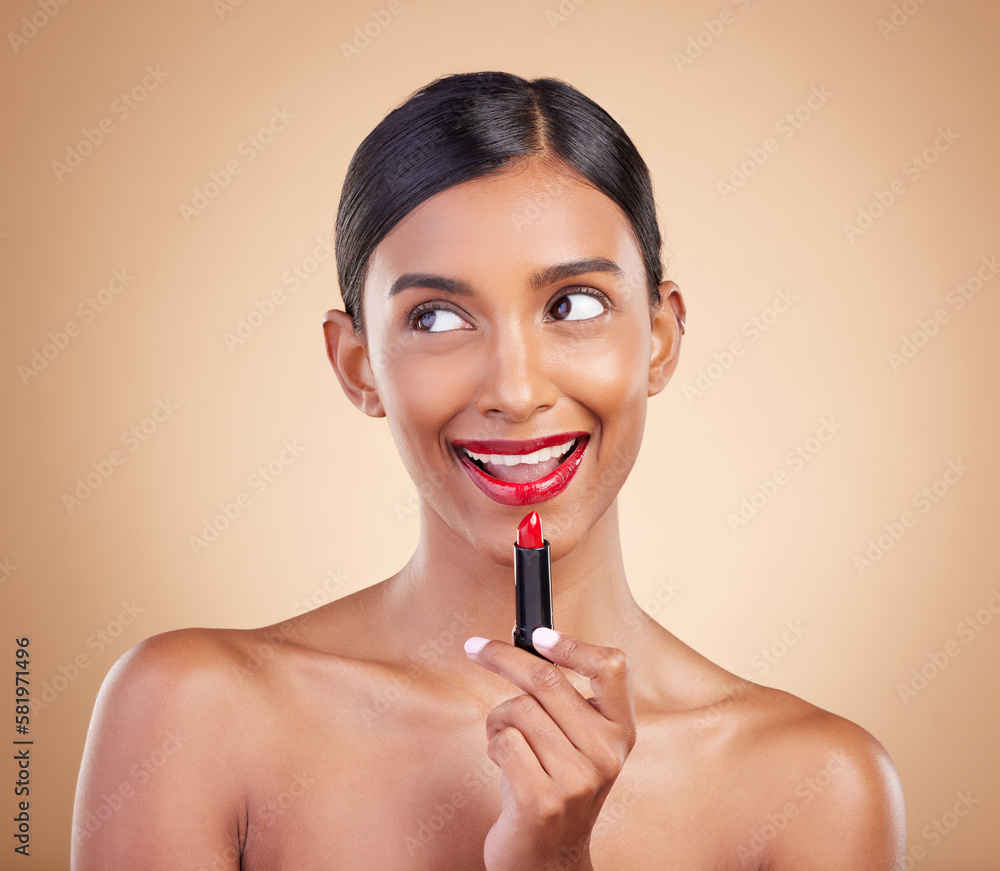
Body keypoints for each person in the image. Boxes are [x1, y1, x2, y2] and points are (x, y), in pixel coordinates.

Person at [72, 71, 906, 870]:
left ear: (660, 337)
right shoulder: (189, 716)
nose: (515, 390)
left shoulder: (819, 787)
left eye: (573, 304)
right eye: (436, 316)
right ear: (357, 364)